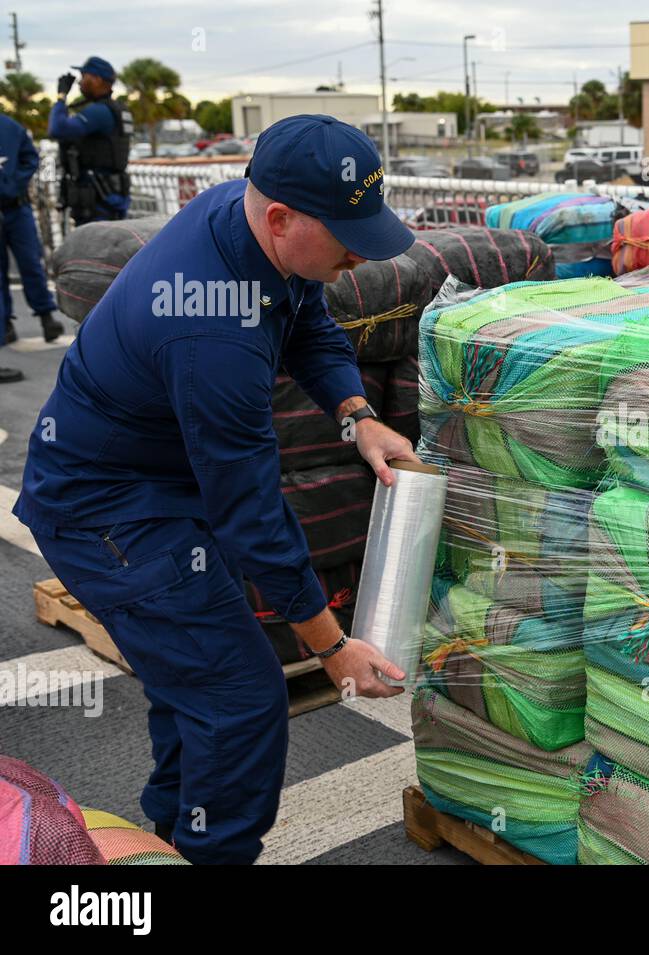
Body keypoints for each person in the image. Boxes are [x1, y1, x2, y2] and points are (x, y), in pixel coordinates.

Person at [14, 114, 416, 864]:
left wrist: (357, 415)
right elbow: (251, 513)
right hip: (107, 512)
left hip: (163, 484)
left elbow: (309, 323)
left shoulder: (247, 218)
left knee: (196, 682)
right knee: (240, 700)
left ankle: (169, 841)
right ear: (281, 218)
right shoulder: (211, 332)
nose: (361, 253)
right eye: (346, 235)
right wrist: (332, 648)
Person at [0, 113, 64, 347]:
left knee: (31, 264)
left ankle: (46, 316)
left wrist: (12, 184)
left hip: (17, 209)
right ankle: (5, 324)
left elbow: (30, 157)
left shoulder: (11, 127)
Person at [49, 56, 132, 225]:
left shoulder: (99, 111)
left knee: (94, 241)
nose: (79, 83)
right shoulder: (117, 109)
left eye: (84, 76)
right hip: (111, 194)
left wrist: (61, 96)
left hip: (97, 199)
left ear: (97, 79)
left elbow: (57, 129)